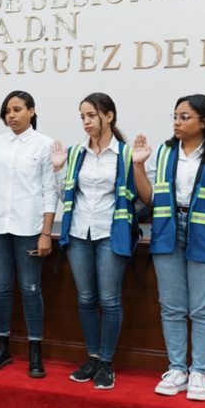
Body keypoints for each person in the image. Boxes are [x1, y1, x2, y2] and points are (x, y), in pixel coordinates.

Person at [133, 94, 205, 401]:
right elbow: (149, 197)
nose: (177, 123)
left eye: (185, 117)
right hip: (168, 233)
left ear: (204, 121)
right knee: (171, 307)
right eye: (176, 116)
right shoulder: (166, 152)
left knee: (204, 308)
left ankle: (199, 373)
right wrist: (139, 166)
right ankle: (177, 369)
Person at [0, 90, 58, 377]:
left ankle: (35, 351)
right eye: (7, 111)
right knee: (1, 288)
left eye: (17, 109)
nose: (11, 115)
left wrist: (46, 232)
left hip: (29, 228)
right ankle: (2, 347)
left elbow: (49, 191)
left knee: (30, 289)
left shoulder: (44, 145)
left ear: (32, 111)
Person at [51, 93, 138, 390]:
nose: (86, 122)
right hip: (78, 232)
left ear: (109, 116)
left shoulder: (125, 153)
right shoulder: (76, 152)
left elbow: (142, 197)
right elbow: (64, 192)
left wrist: (139, 166)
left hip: (110, 232)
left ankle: (106, 363)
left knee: (109, 299)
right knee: (86, 299)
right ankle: (92, 356)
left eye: (91, 115)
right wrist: (58, 169)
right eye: (82, 117)